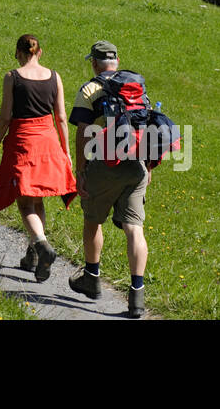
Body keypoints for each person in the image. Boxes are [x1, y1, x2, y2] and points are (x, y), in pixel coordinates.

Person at [68, 40, 150, 318]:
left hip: (104, 162)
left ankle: (92, 278)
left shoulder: (91, 88)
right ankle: (137, 296)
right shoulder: (137, 86)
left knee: (93, 221)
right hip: (137, 164)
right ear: (116, 61)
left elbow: (82, 132)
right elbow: (147, 125)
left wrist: (80, 171)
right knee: (134, 228)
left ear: (94, 62)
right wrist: (147, 169)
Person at [0, 34, 79, 283]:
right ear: (40, 52)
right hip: (48, 140)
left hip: (24, 141)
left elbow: (5, 117)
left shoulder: (12, 77)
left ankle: (41, 246)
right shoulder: (54, 77)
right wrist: (66, 152)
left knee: (25, 203)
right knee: (37, 200)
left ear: (18, 52)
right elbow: (61, 117)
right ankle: (34, 258)